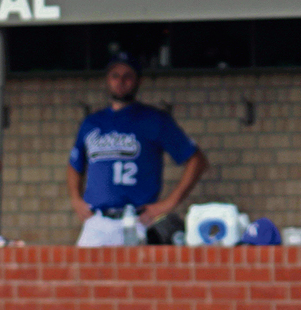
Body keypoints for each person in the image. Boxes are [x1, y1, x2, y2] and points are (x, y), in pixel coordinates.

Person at [67, 52, 208, 247]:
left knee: (135, 275)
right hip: (97, 220)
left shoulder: (154, 119)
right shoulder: (92, 123)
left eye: (127, 76)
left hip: (137, 219)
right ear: (107, 80)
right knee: (82, 274)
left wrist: (168, 204)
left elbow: (196, 160)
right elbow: (75, 164)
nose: (121, 82)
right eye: (115, 76)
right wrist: (75, 198)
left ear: (138, 80)